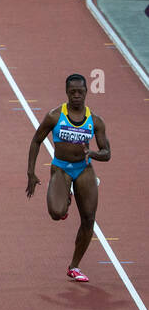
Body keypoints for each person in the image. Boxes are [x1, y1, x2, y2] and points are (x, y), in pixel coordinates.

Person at [26, 74, 111, 283]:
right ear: (67, 93)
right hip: (61, 169)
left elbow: (107, 152)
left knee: (89, 219)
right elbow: (36, 141)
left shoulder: (95, 121)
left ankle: (74, 266)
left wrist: (92, 154)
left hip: (84, 170)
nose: (76, 96)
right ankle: (66, 198)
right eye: (72, 92)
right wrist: (31, 172)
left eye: (80, 92)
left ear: (86, 93)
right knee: (56, 213)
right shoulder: (55, 116)